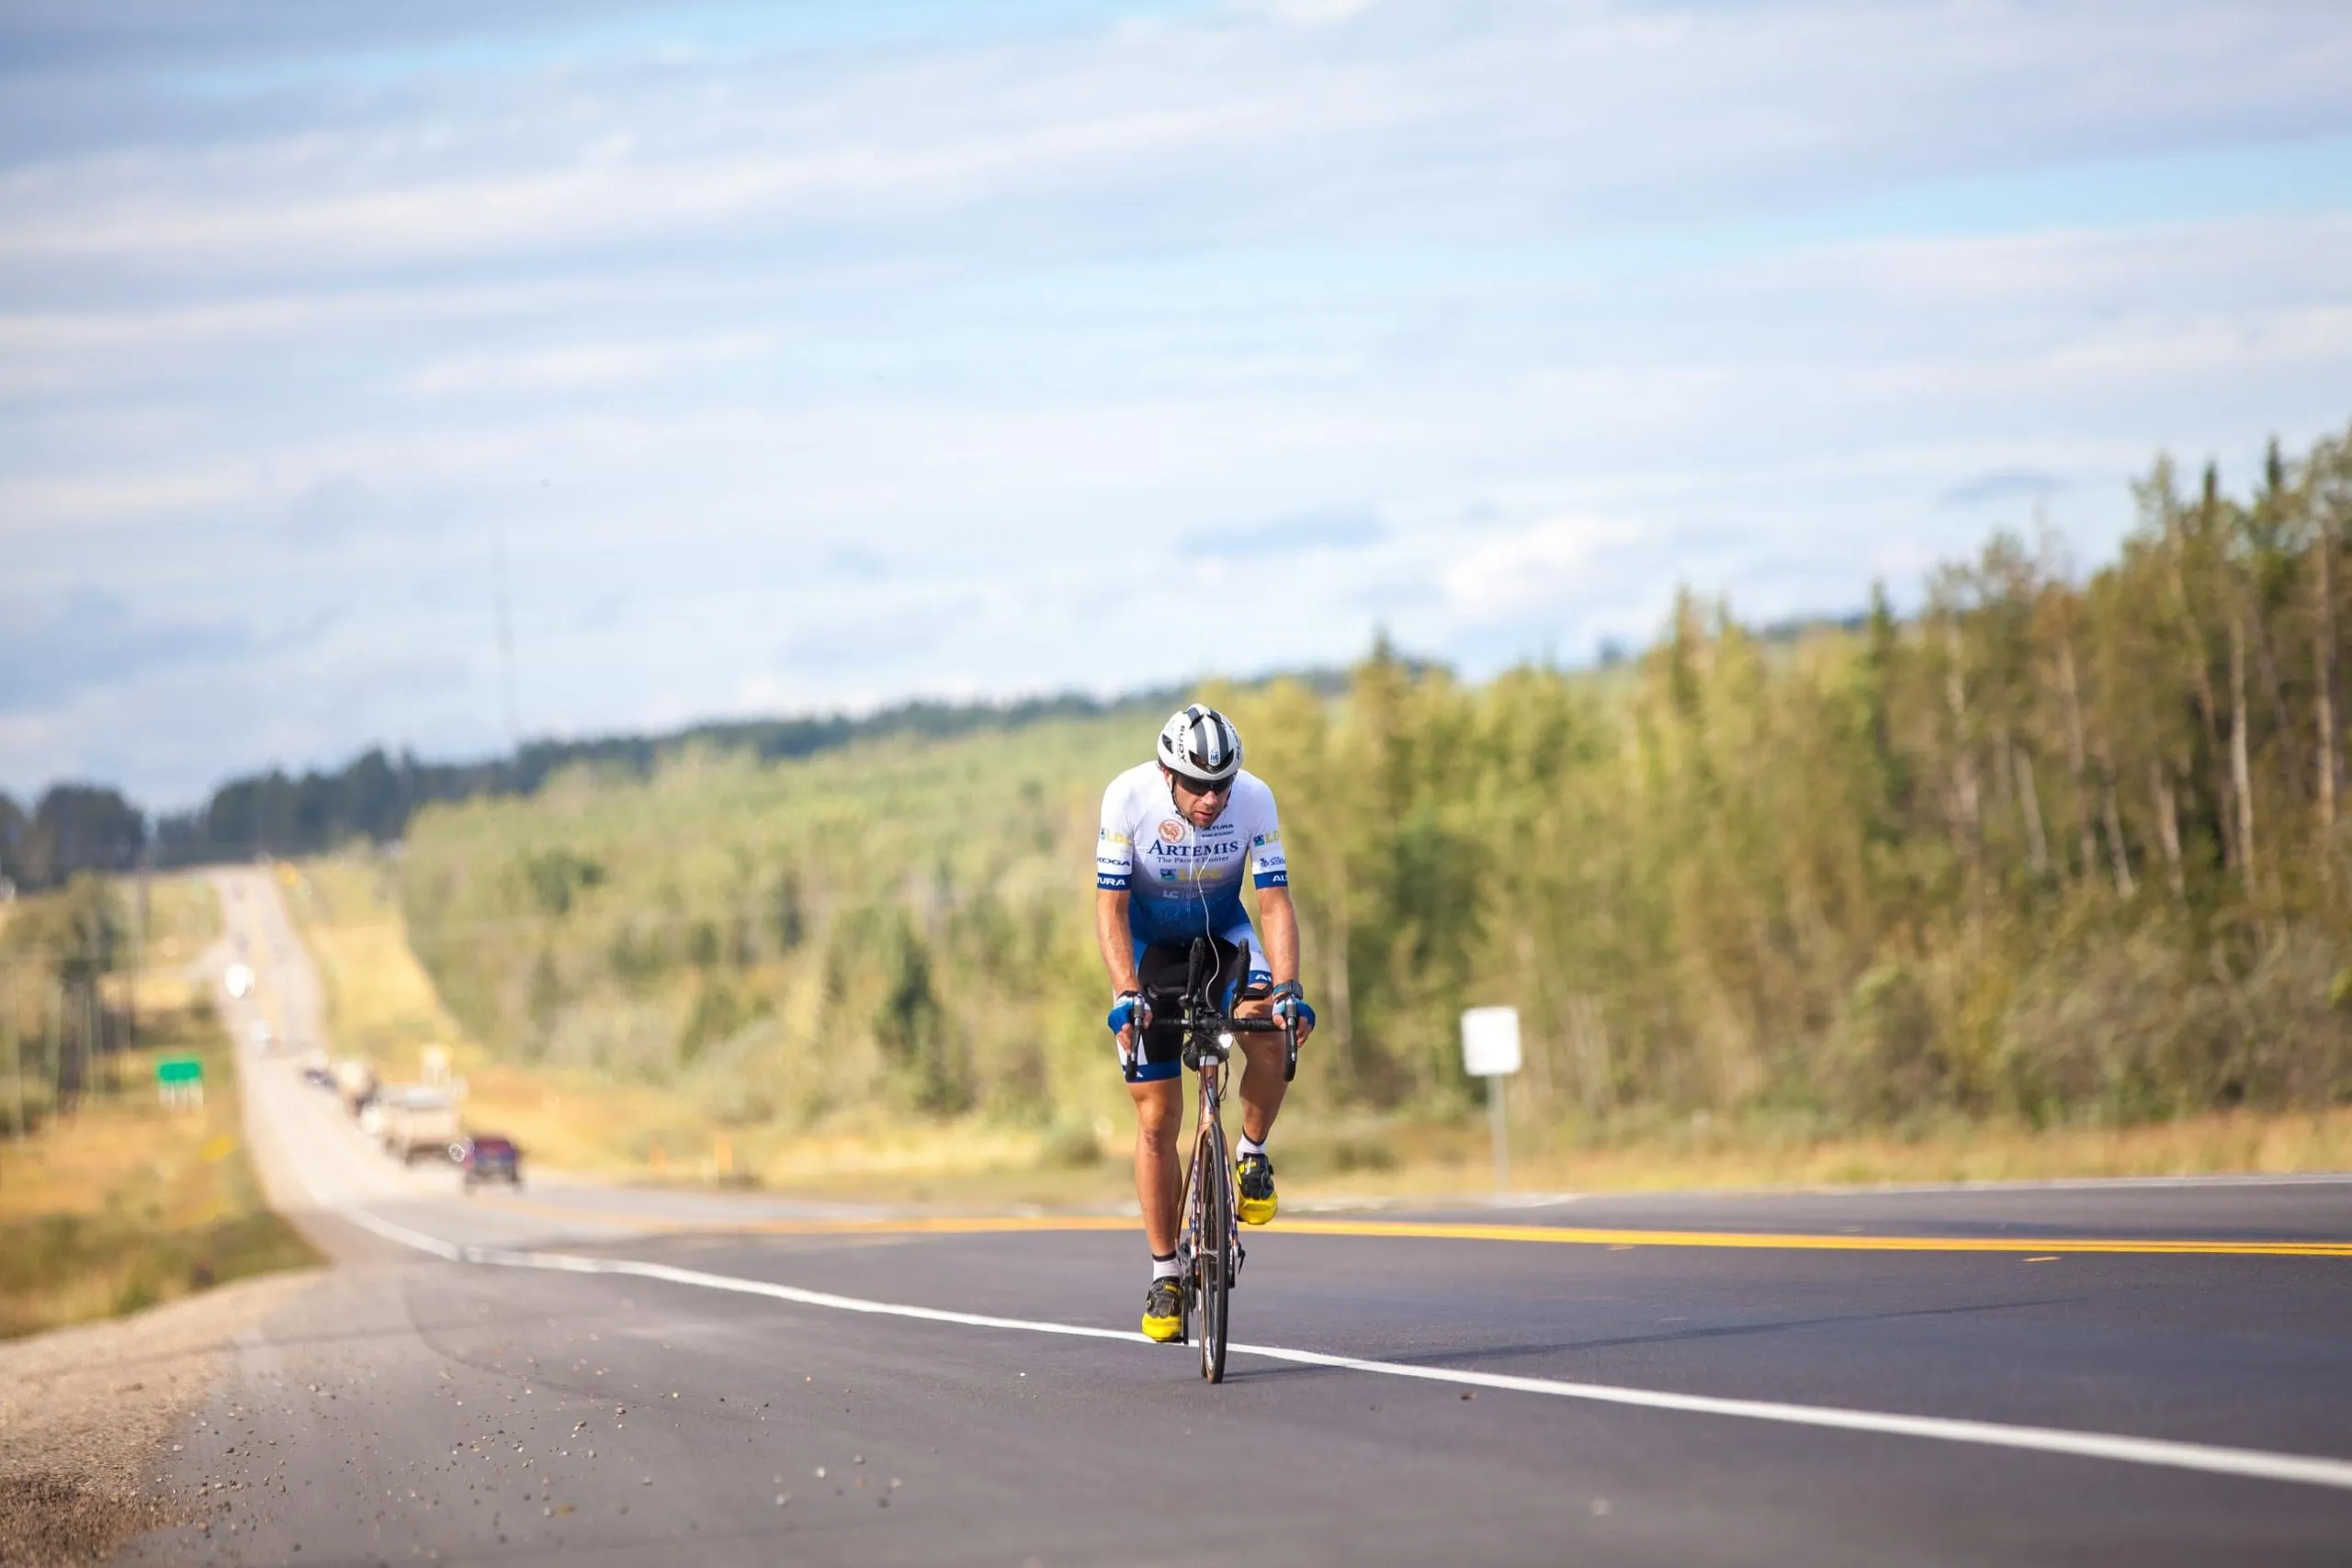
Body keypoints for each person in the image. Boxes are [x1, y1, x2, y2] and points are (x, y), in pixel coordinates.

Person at [1095, 704, 1315, 1342]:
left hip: (1223, 937)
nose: (1213, 798)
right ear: (1168, 773)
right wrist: (1127, 992)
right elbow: (1109, 909)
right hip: (1148, 952)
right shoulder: (1127, 797)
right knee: (1158, 1116)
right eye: (1198, 784)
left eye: (1223, 783)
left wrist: (1290, 986)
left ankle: (1250, 1154)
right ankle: (1166, 1271)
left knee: (1271, 1028)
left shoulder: (1255, 799)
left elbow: (1273, 899)